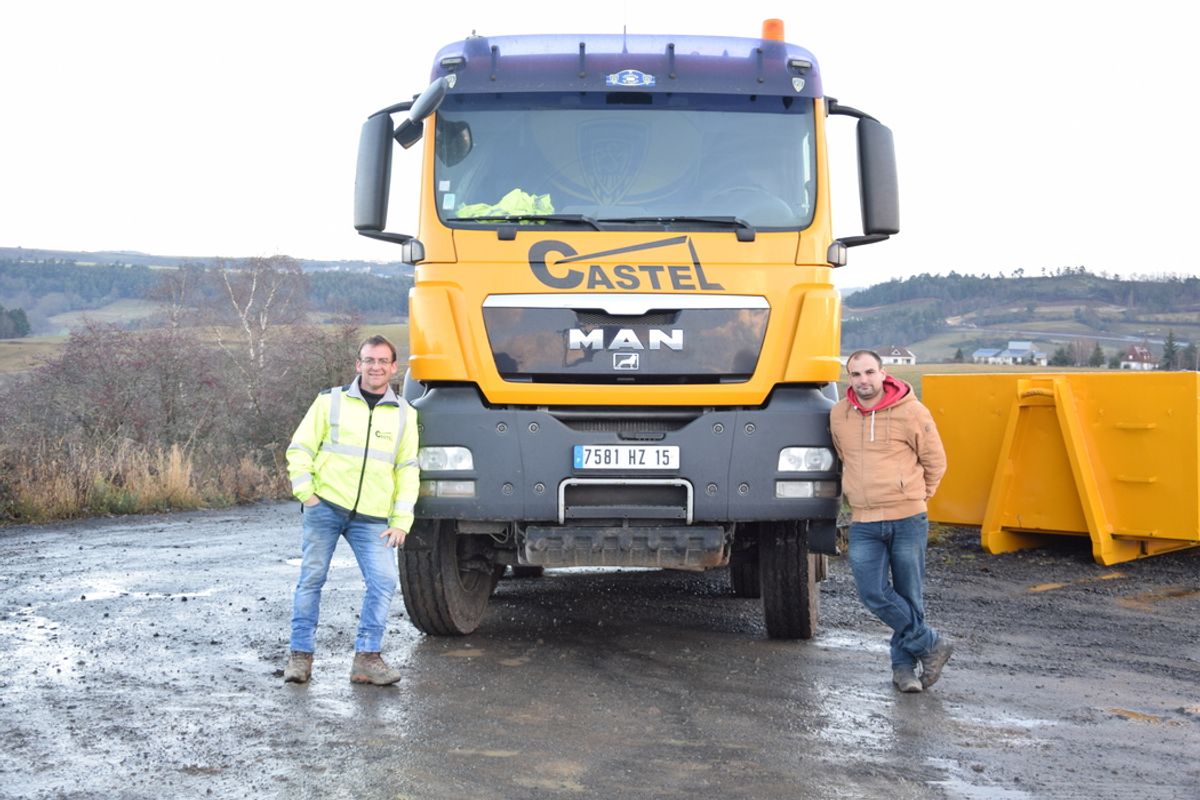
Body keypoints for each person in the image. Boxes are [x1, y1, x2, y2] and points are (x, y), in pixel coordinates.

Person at [282, 335, 419, 685]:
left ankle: (367, 659)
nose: (375, 367)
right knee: (312, 580)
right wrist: (306, 493)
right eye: (368, 360)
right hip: (325, 508)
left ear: (393, 367)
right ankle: (300, 657)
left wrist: (402, 520)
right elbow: (300, 448)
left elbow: (408, 469)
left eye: (382, 361)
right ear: (358, 364)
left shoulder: (405, 415)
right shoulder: (329, 402)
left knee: (384, 581)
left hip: (373, 518)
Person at [829, 350, 952, 693]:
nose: (863, 380)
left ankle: (904, 670)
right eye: (856, 374)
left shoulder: (912, 411)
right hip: (865, 521)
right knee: (872, 592)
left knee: (908, 595)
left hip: (908, 517)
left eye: (869, 372)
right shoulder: (840, 415)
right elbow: (843, 455)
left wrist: (916, 495)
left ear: (884, 373)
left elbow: (936, 460)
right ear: (848, 378)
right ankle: (931, 644)